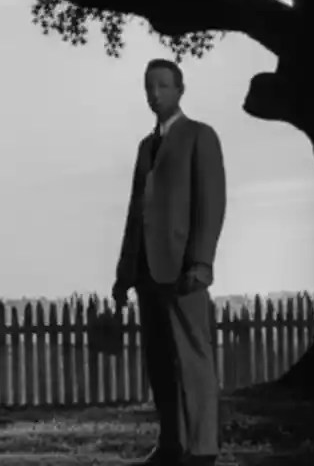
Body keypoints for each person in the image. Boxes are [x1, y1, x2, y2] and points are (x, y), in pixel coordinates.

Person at [112, 59, 227, 466]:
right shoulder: (146, 147)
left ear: (180, 90)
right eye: (149, 86)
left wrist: (201, 262)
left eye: (163, 86)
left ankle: (202, 448)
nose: (154, 93)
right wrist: (124, 273)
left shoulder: (200, 136)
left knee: (193, 358)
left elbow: (211, 204)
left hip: (184, 271)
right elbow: (134, 212)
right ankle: (171, 443)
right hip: (146, 270)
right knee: (159, 360)